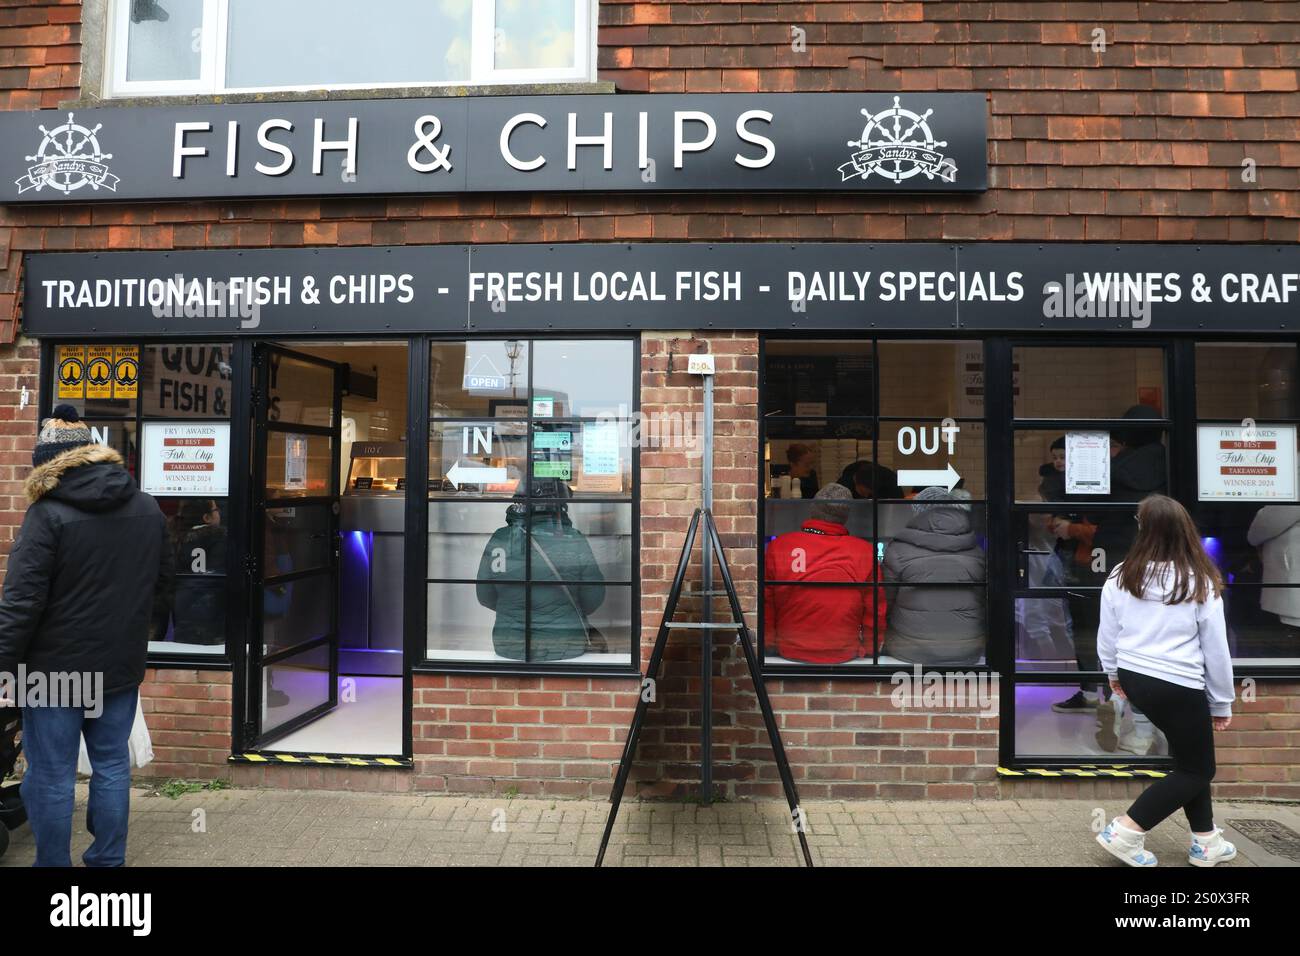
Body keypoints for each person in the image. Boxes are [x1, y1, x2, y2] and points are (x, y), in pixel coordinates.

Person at [0, 405, 169, 867]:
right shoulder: (147, 506)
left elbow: (20, 603)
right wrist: (140, 636)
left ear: (49, 462)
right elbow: (162, 585)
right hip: (119, 664)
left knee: (52, 774)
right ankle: (107, 862)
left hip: (54, 673)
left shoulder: (47, 514)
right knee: (111, 765)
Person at [1094, 494, 1237, 868]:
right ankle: (1125, 832)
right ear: (1184, 531)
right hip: (1178, 683)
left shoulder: (1121, 574)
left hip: (1135, 676)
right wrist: (1221, 701)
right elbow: (1216, 649)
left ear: (1143, 530)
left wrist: (1113, 674)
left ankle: (1206, 843)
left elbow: (1107, 634)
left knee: (1189, 760)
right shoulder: (1199, 581)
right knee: (1198, 769)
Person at [1055, 405, 1167, 716]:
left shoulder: (1115, 468)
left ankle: (1100, 689)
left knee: (1096, 621)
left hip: (1108, 554)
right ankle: (1133, 698)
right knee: (1143, 625)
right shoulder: (1175, 461)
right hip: (1155, 555)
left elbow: (1095, 511)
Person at [476, 479, 605, 662]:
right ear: (559, 506)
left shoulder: (500, 539)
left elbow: (484, 596)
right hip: (565, 645)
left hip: (510, 644)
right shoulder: (573, 540)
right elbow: (594, 598)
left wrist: (515, 609)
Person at [763, 484, 885, 663]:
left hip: (790, 650)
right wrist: (870, 649)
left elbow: (766, 603)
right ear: (845, 517)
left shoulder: (780, 546)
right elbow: (875, 609)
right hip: (843, 651)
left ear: (811, 509)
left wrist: (769, 645)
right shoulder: (864, 551)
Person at [881, 486, 987, 666]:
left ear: (918, 513)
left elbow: (885, 602)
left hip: (910, 649)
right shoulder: (975, 549)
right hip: (967, 649)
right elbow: (983, 599)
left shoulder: (898, 549)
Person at [170, 499, 227, 646]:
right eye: (216, 510)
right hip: (213, 603)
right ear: (206, 518)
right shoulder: (221, 537)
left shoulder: (177, 538)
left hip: (182, 602)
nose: (219, 512)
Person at [835, 460, 899, 501]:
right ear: (855, 480)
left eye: (870, 493)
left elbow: (898, 505)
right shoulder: (842, 487)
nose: (866, 496)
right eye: (862, 492)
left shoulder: (891, 483)